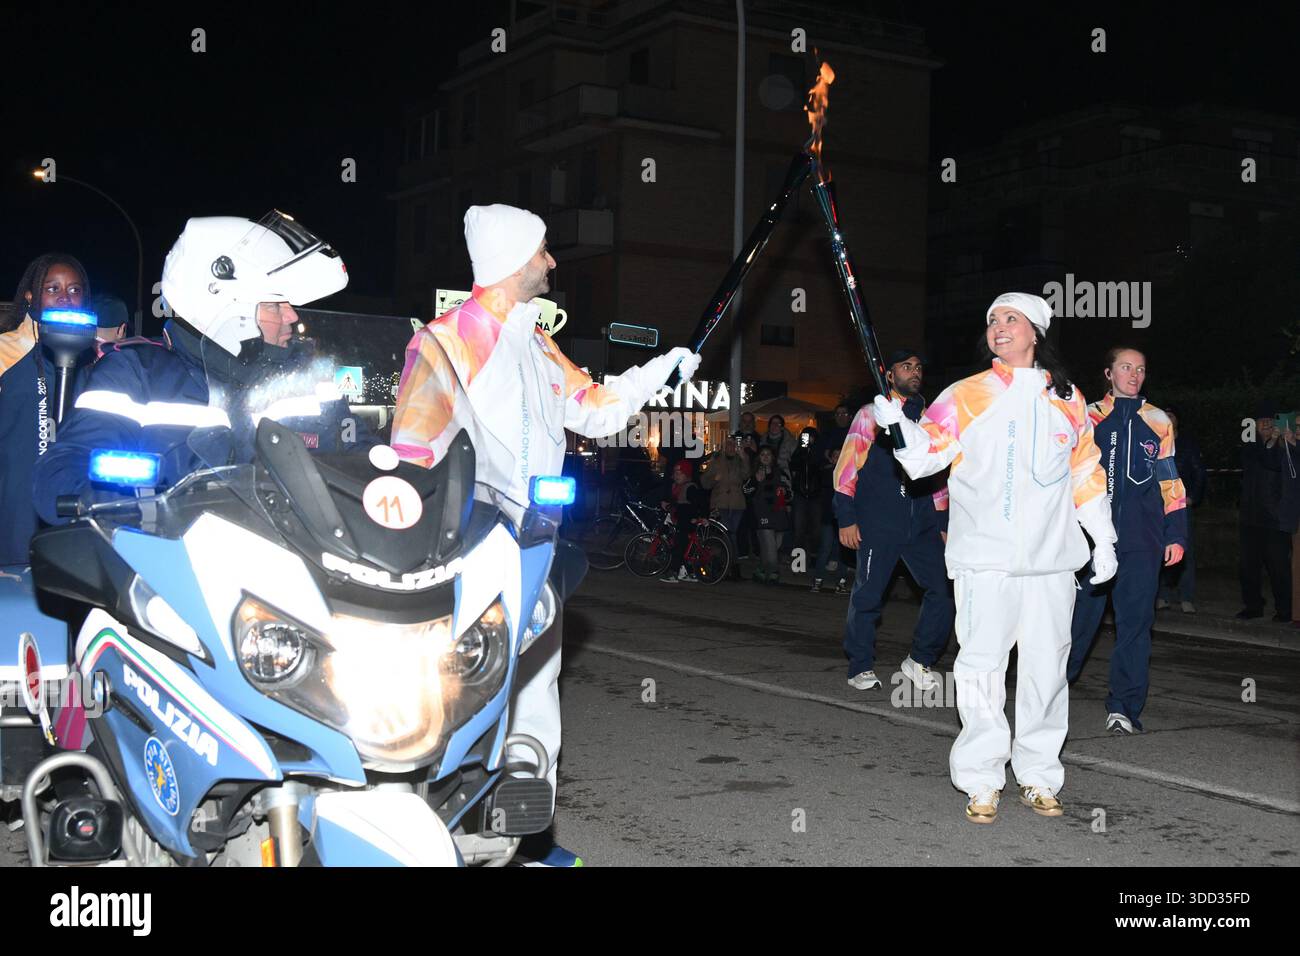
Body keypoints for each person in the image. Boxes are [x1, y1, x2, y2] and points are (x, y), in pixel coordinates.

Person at [389, 203, 700, 865]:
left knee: (535, 693)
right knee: (465, 692)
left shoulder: (534, 340)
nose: (553, 262)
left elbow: (594, 409)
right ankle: (440, 832)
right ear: (510, 259)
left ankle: (522, 840)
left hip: (537, 543)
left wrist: (657, 374)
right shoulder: (448, 339)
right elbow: (413, 446)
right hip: (470, 546)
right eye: (543, 251)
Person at [873, 292, 1116, 824]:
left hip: (1052, 562)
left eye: (1011, 319)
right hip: (986, 559)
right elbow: (923, 458)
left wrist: (1103, 536)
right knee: (981, 670)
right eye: (992, 320)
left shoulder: (1069, 400)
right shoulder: (964, 394)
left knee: (1047, 673)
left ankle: (1039, 775)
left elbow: (1085, 470)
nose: (999, 327)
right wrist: (895, 425)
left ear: (1036, 333)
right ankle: (982, 778)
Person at [34, 212, 354, 525]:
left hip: (299, 562)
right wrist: (113, 500)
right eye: (274, 304)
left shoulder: (306, 382)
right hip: (171, 567)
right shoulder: (136, 375)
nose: (292, 316)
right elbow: (63, 468)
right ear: (220, 307)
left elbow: (359, 456)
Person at [1067, 348, 1187, 735]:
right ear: (1108, 372)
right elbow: (1061, 476)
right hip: (1089, 540)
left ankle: (1123, 707)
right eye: (1126, 367)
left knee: (1135, 625)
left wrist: (1176, 533)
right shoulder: (1086, 417)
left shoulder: (1157, 421)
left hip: (1141, 541)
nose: (1134, 374)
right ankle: (1049, 694)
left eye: (1140, 369)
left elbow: (1171, 483)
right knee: (1075, 623)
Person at [833, 349, 952, 693]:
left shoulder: (931, 418)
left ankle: (919, 660)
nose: (914, 371)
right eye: (905, 366)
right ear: (889, 375)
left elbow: (938, 475)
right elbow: (847, 468)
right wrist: (847, 518)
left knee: (943, 592)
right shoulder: (871, 415)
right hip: (879, 522)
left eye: (917, 366)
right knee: (869, 595)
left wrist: (943, 523)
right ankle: (860, 666)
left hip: (923, 525)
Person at [0, 253, 93, 566]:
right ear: (31, 296)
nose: (65, 298)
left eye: (74, 290)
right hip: (12, 505)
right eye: (53, 289)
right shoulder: (5, 351)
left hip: (66, 502)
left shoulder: (93, 361)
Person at [1237, 402, 1295, 622]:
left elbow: (1273, 464)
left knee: (1278, 567)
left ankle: (1284, 609)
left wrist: (1275, 440)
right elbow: (1255, 460)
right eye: (1261, 422)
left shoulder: (1284, 447)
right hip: (1250, 517)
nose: (1266, 426)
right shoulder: (1251, 447)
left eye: (1270, 422)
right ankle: (1253, 606)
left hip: (1274, 519)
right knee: (1248, 567)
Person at [1158, 407, 1206, 612]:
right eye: (1165, 415)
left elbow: (1199, 473)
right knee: (1159, 550)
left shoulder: (1187, 445)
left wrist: (1192, 497)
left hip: (1180, 505)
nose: (1168, 419)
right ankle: (1162, 595)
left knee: (1184, 549)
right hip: (1159, 506)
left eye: (1172, 415)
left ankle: (1186, 596)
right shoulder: (1155, 442)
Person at [810, 403, 852, 592]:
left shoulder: (851, 475)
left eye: (845, 413)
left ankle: (841, 582)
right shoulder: (828, 472)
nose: (841, 416)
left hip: (845, 517)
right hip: (829, 516)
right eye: (838, 413)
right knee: (826, 547)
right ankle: (818, 579)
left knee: (842, 549)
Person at [699, 431, 749, 578]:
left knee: (729, 534)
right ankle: (733, 566)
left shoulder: (740, 461)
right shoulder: (715, 461)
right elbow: (704, 482)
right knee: (728, 534)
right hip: (719, 503)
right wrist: (715, 479)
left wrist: (744, 458)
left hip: (737, 504)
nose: (730, 447)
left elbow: (747, 475)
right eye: (728, 444)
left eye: (733, 445)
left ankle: (725, 565)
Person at [743, 444, 791, 584]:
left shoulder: (780, 473)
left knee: (772, 546)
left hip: (779, 513)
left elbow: (789, 492)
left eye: (768, 454)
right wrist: (755, 482)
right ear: (759, 457)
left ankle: (761, 570)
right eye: (762, 454)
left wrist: (785, 494)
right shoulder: (754, 473)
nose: (765, 457)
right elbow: (746, 491)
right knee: (770, 547)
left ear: (773, 457)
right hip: (762, 514)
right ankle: (774, 572)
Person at [658, 459, 706, 583]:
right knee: (684, 548)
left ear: (686, 475)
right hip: (681, 521)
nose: (677, 475)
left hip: (687, 522)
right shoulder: (677, 487)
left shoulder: (689, 488)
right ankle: (688, 573)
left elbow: (699, 503)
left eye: (680, 473)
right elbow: (677, 503)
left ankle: (674, 573)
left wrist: (700, 516)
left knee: (679, 547)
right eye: (676, 473)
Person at [789, 425, 821, 555]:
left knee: (816, 529)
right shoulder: (799, 452)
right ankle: (798, 561)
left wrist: (812, 450)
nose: (808, 439)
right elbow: (794, 465)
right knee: (799, 529)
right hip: (800, 494)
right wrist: (803, 451)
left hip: (816, 494)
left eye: (810, 436)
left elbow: (819, 468)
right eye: (805, 437)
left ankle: (813, 556)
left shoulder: (819, 452)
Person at [759, 413, 797, 482]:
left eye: (778, 424)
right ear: (769, 426)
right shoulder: (762, 441)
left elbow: (796, 462)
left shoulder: (791, 442)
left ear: (782, 427)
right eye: (773, 423)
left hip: (783, 477)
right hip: (765, 476)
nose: (775, 426)